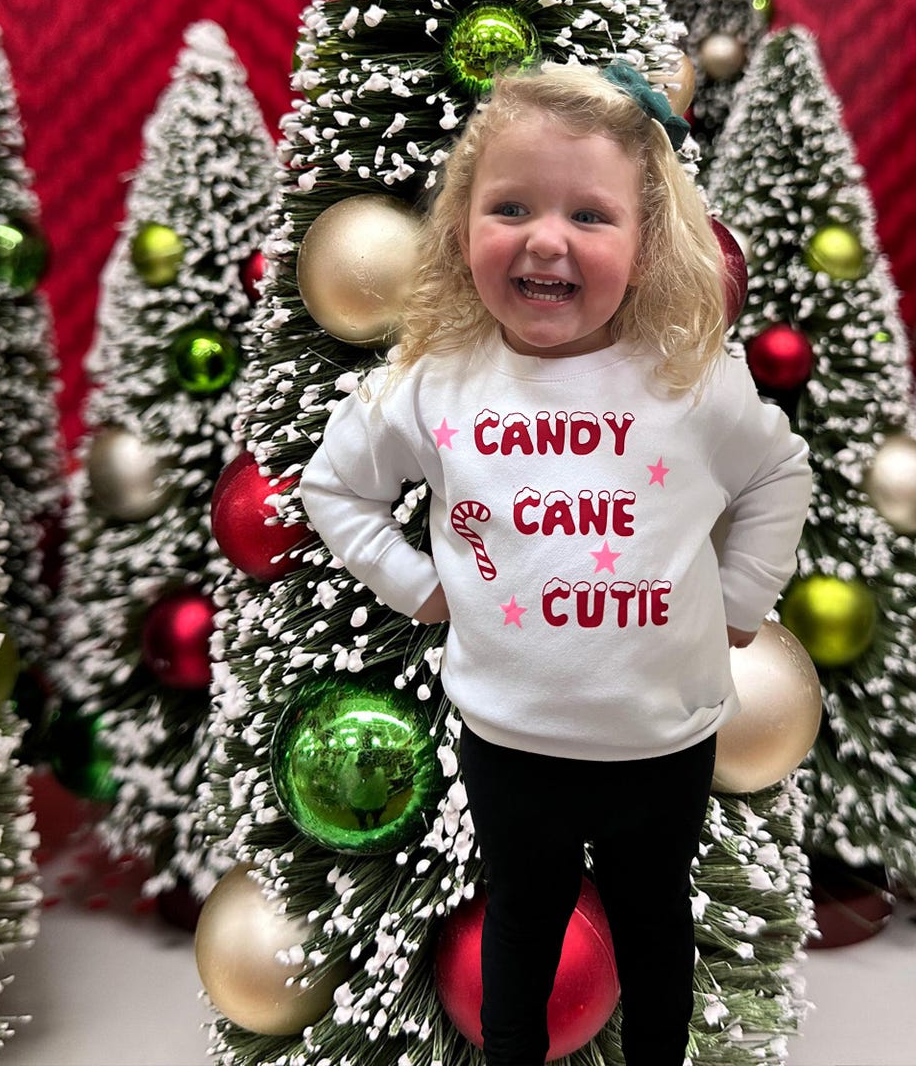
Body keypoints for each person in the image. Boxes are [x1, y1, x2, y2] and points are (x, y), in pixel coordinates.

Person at [301, 60, 813, 1066]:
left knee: (656, 931)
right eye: (512, 207)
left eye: (591, 215)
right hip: (511, 741)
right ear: (462, 229)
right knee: (522, 940)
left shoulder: (689, 380)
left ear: (648, 239)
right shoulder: (436, 381)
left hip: (662, 746)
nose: (546, 239)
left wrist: (745, 599)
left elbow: (778, 472)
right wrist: (419, 586)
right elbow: (335, 488)